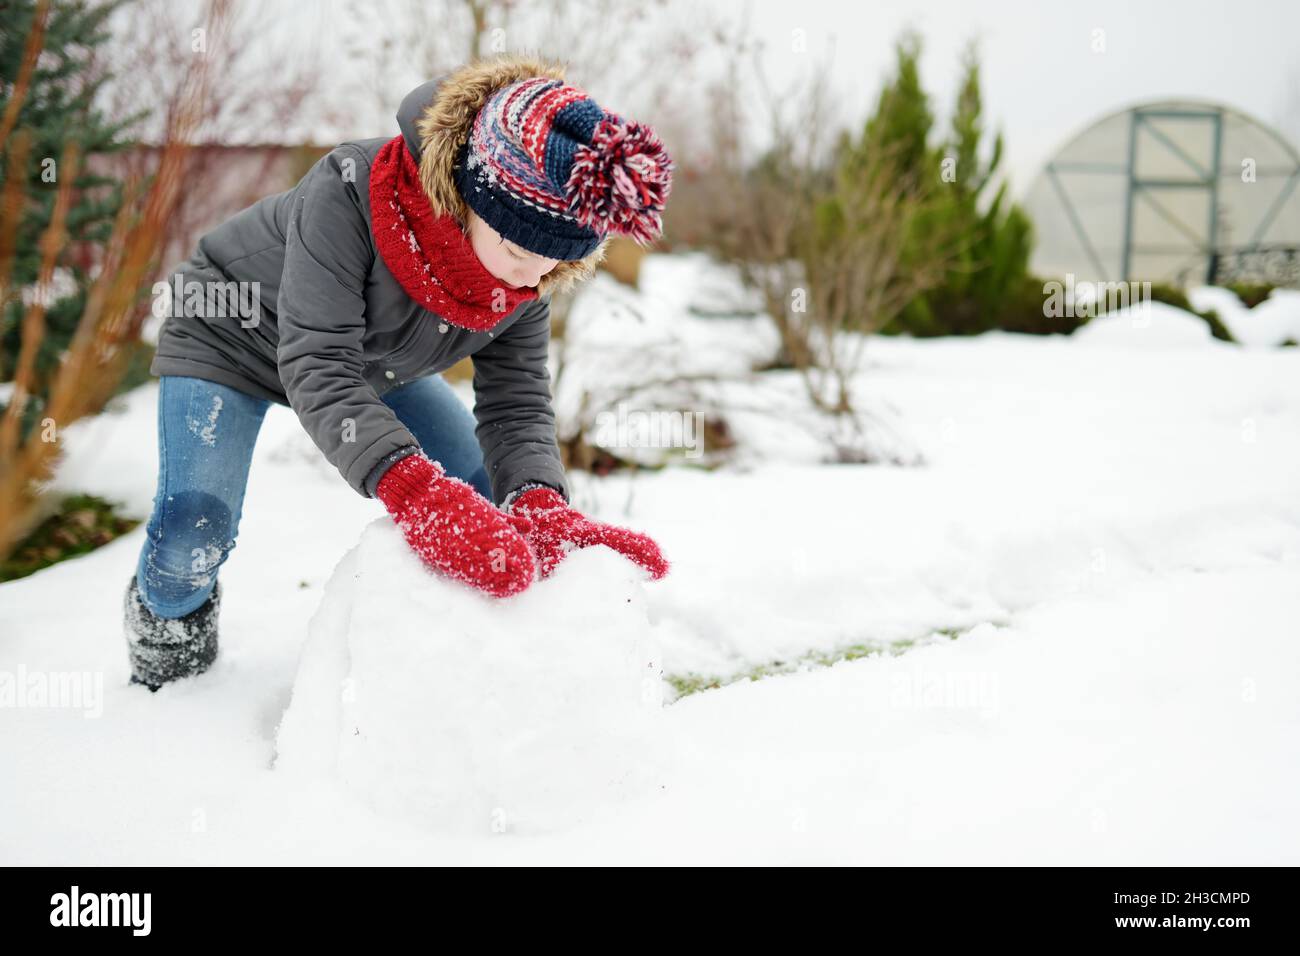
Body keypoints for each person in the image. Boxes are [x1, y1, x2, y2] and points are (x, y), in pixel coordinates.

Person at [124, 53, 675, 690]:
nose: (533, 280)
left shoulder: (530, 267)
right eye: (521, 253)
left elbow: (517, 401)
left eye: (553, 267)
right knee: (194, 532)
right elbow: (318, 361)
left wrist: (539, 500)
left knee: (484, 492)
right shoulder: (353, 189)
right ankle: (168, 681)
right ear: (472, 200)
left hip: (372, 360)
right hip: (231, 334)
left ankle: (476, 669)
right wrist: (411, 488)